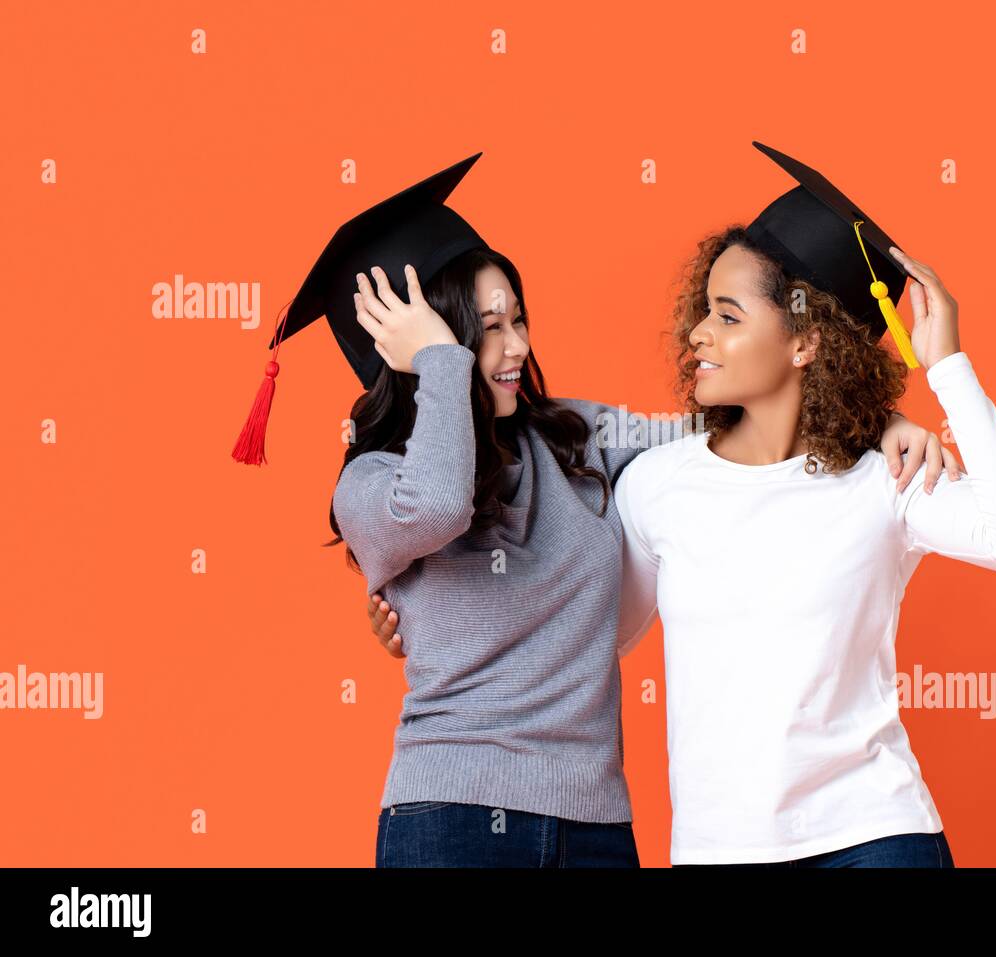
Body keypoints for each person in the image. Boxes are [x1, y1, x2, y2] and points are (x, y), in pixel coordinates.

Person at [236, 153, 951, 867]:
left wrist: (872, 423)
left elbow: (741, 428)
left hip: (595, 827)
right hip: (447, 822)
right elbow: (443, 502)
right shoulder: (369, 483)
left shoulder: (572, 437)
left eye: (518, 318)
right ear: (413, 349)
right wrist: (440, 365)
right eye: (485, 328)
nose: (517, 345)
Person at [612, 144, 996, 866]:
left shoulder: (885, 474)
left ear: (805, 343)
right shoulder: (656, 485)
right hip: (719, 850)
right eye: (704, 311)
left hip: (872, 838)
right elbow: (598, 635)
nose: (698, 333)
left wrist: (946, 366)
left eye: (728, 316)